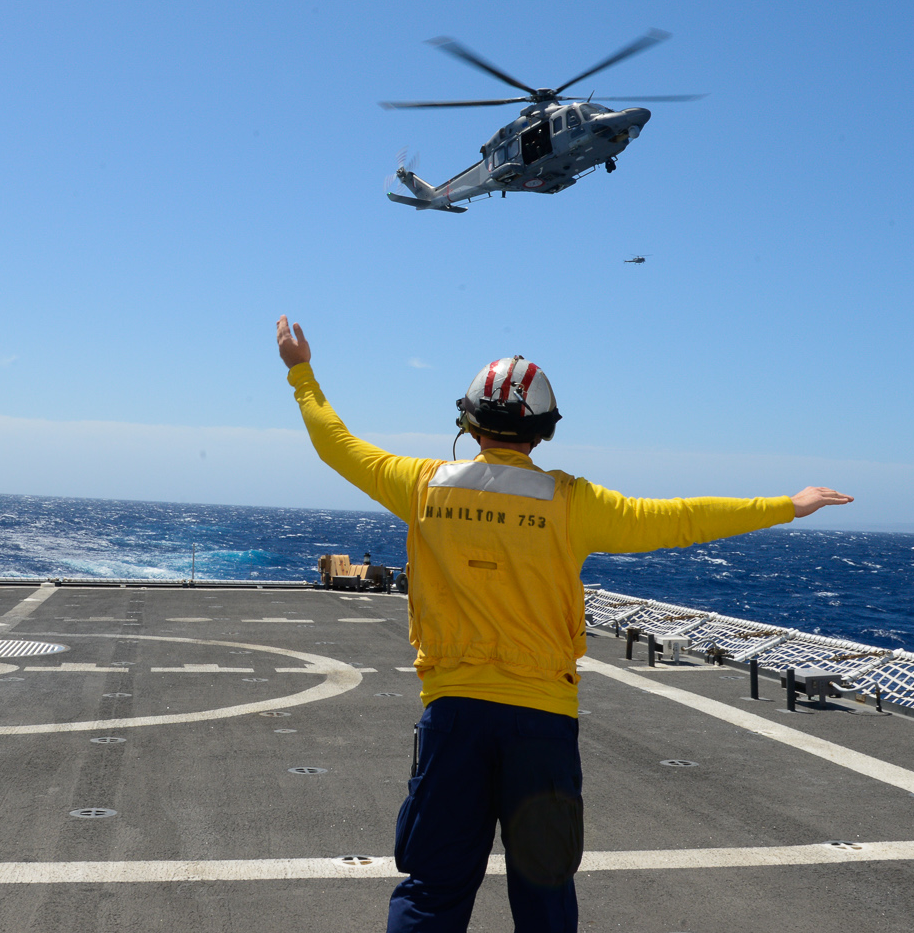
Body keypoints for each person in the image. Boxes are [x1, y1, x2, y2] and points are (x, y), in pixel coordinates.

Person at [275, 316, 852, 933]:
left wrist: (301, 372)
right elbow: (681, 518)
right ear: (544, 430)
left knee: (432, 890)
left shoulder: (421, 486)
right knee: (544, 899)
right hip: (542, 726)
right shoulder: (573, 503)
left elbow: (336, 444)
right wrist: (787, 506)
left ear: (467, 421)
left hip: (453, 716)